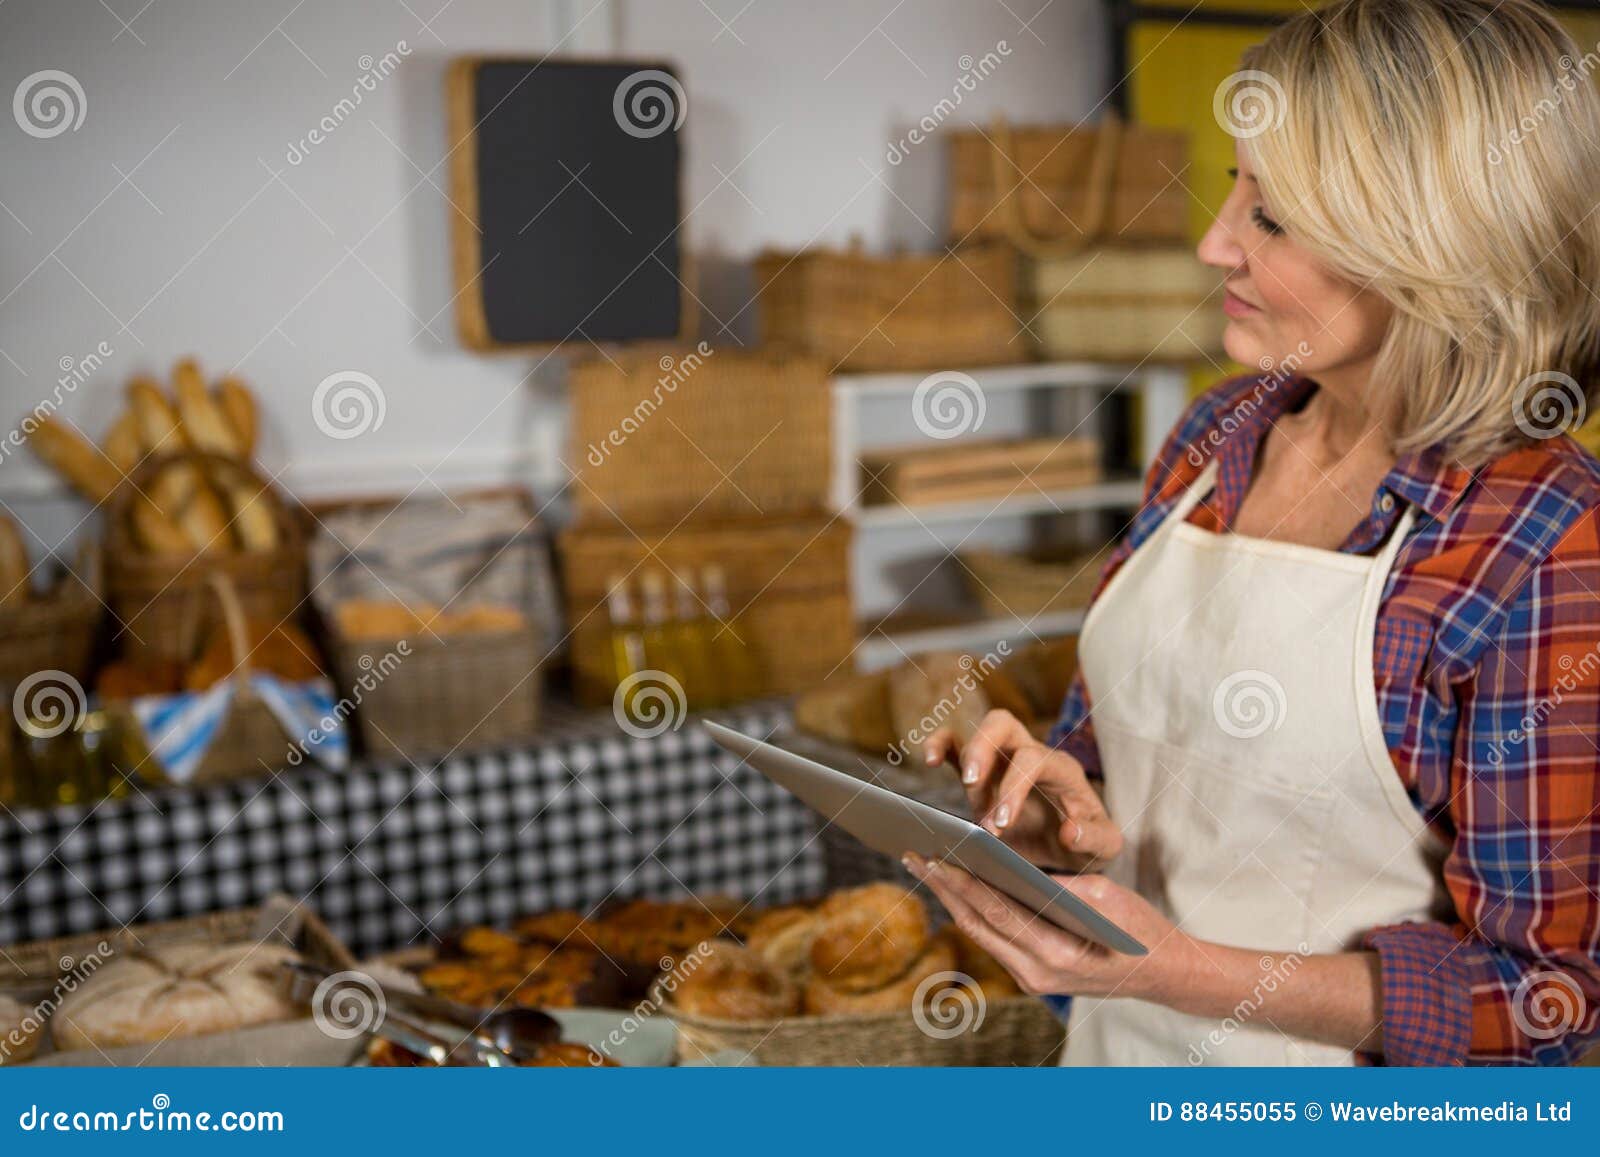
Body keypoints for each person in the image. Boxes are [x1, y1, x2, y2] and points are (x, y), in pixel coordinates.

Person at [913, 0, 1600, 1065]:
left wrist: (1180, 970)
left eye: (1271, 217)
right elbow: (1124, 759)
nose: (1211, 240)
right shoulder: (1212, 436)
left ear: (1436, 247)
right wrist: (1059, 812)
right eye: (1235, 186)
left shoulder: (1546, 540)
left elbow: (1550, 994)